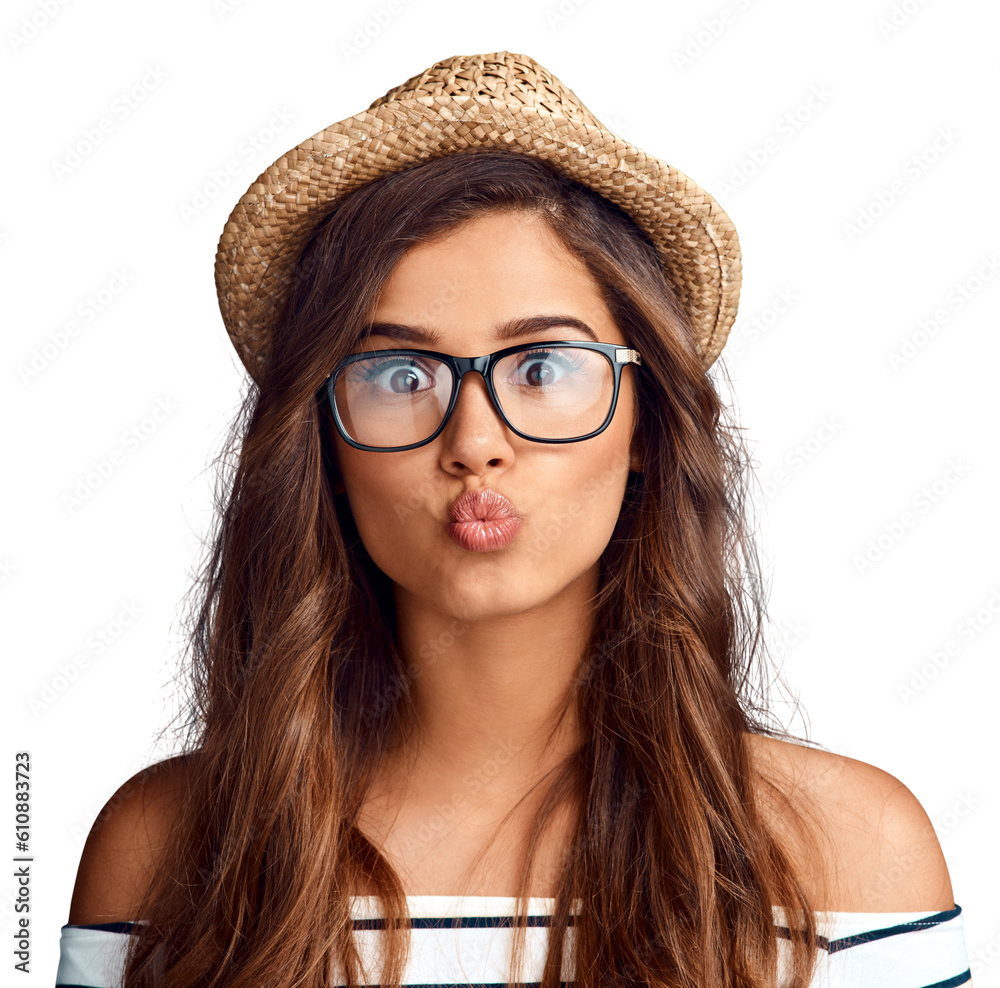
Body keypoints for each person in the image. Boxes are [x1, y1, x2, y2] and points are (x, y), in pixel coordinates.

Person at [55, 51, 971, 988]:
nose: (474, 442)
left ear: (646, 421)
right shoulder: (161, 853)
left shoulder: (853, 861)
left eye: (540, 367)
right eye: (400, 376)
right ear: (322, 440)